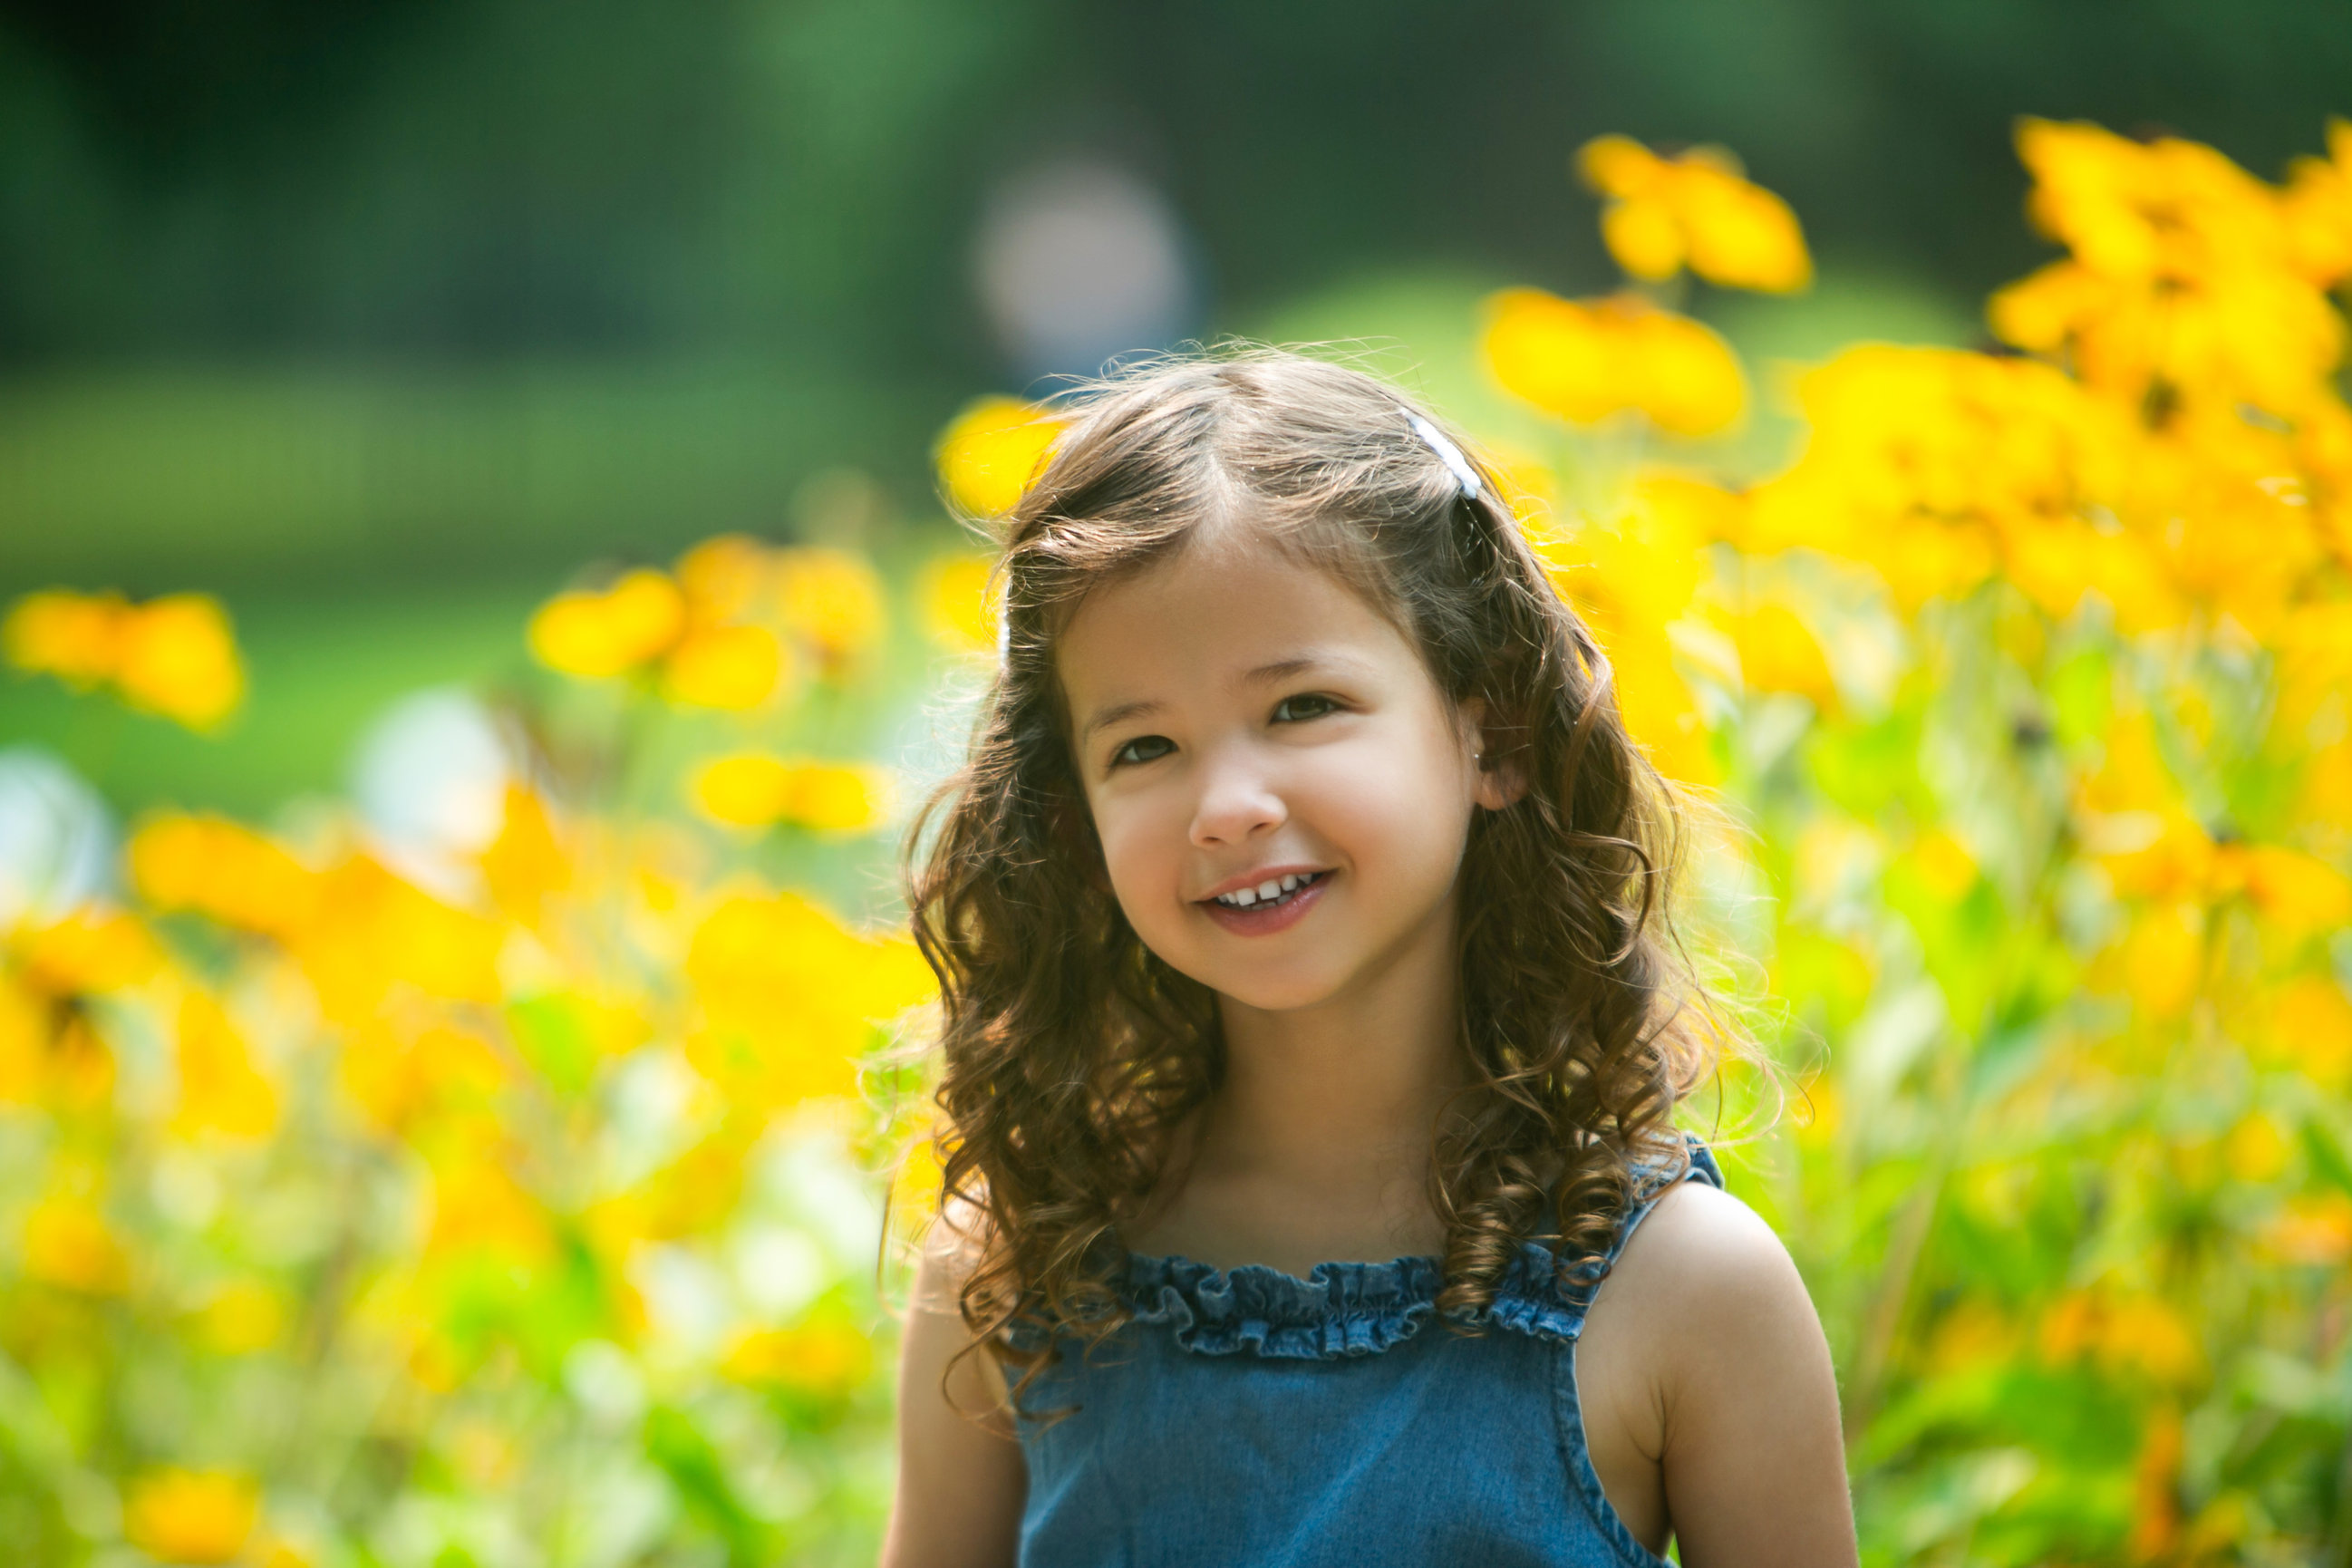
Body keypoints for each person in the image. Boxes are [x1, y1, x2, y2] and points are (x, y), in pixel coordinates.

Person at [882, 349, 1856, 1568]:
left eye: (1301, 708)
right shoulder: (1017, 1265)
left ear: (1489, 730)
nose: (1226, 804)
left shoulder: (1686, 1294)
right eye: (1143, 747)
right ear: (1073, 828)